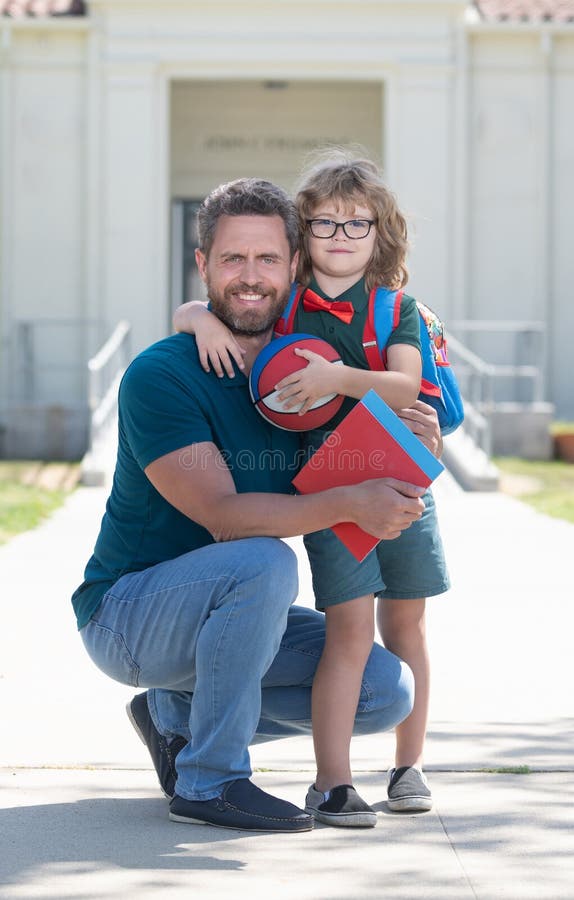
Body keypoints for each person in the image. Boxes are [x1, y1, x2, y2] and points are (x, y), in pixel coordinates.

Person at [71, 176, 428, 834]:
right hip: (129, 614)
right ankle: (212, 780)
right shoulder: (163, 374)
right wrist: (352, 500)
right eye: (232, 258)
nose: (251, 276)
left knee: (385, 691)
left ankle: (173, 718)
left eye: (268, 259)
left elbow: (383, 432)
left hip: (229, 613)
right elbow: (225, 517)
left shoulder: (311, 377)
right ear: (202, 265)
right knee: (261, 559)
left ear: (295, 266)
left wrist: (412, 435)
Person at [173, 152, 450, 826]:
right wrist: (205, 323)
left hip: (404, 482)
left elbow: (407, 385)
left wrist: (337, 377)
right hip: (331, 490)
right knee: (348, 633)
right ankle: (332, 784)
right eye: (324, 222)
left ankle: (409, 767)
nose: (340, 235)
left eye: (358, 223)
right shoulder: (287, 303)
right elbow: (190, 308)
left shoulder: (397, 308)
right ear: (302, 240)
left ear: (381, 232)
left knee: (407, 624)